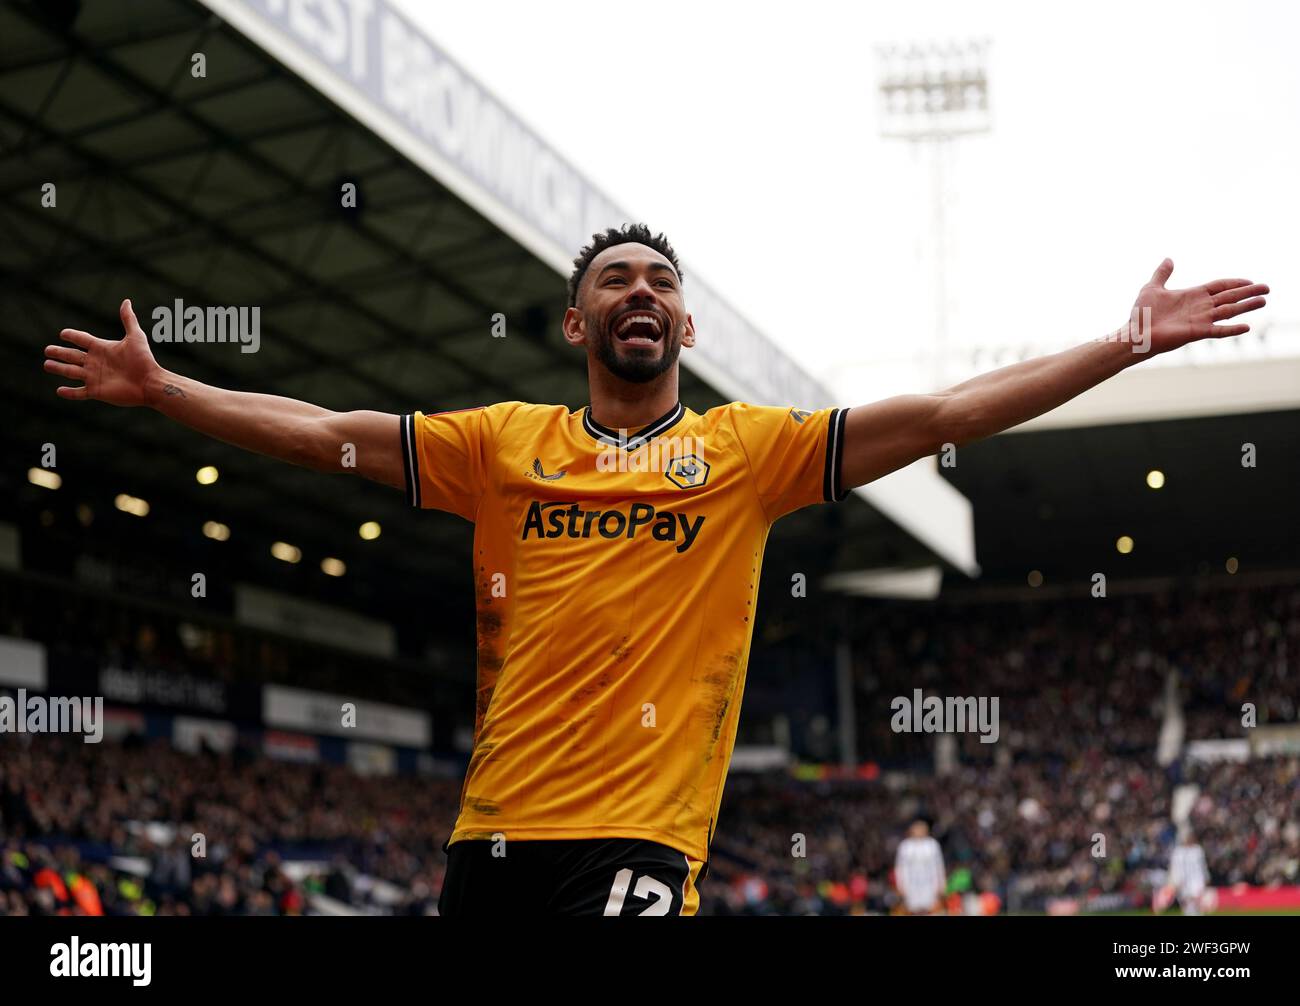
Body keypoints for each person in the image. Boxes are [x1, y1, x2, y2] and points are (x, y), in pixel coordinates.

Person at [43, 222, 1268, 916]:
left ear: (686, 328)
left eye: (661, 283)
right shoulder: (498, 446)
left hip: (638, 839)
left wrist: (1122, 343)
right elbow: (323, 435)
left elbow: (948, 408)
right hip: (491, 843)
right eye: (614, 281)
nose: (641, 292)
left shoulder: (748, 453)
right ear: (577, 326)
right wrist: (165, 389)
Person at [894, 819, 946, 915]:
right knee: (913, 909)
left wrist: (941, 883)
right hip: (911, 884)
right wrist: (900, 885)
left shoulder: (932, 845)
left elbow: (939, 865)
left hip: (929, 883)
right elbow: (900, 868)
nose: (919, 831)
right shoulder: (905, 846)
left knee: (928, 908)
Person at [1167, 828, 1210, 916]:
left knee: (1196, 901)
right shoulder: (1178, 852)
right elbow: (1175, 868)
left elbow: (1202, 866)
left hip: (1197, 880)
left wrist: (1206, 877)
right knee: (1186, 903)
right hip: (1182, 882)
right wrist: (1174, 881)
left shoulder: (1197, 850)